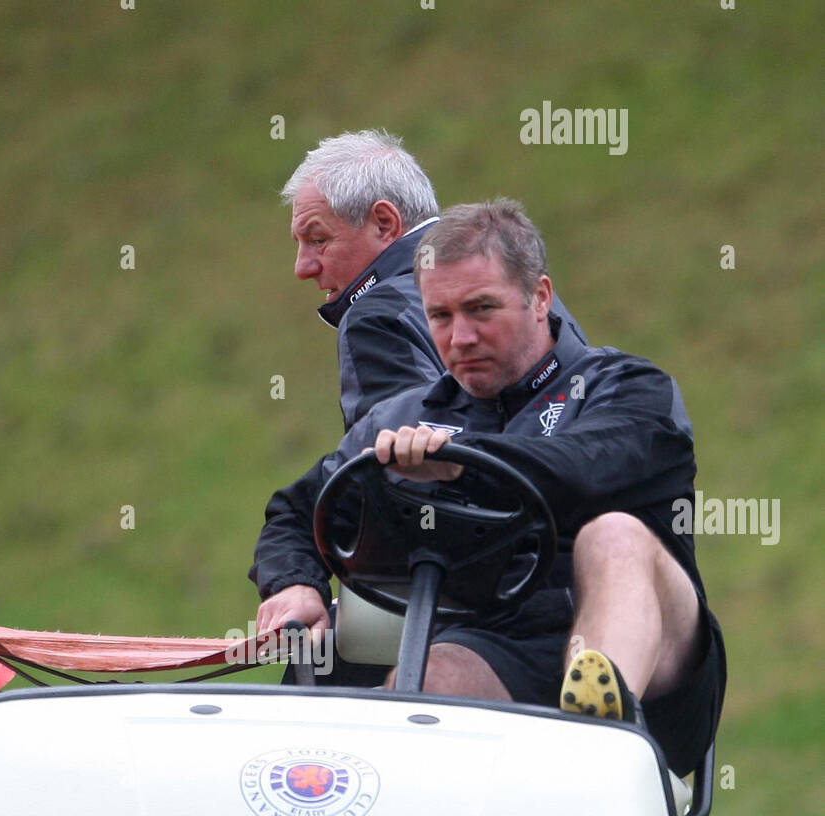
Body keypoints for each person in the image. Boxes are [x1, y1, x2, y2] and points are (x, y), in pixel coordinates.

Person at [250, 199, 724, 777]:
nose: (461, 337)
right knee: (421, 685)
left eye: (481, 309)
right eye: (441, 316)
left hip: (658, 670)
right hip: (501, 647)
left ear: (540, 297)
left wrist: (460, 463)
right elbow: (295, 511)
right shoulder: (405, 419)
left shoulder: (626, 387)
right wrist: (294, 583)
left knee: (616, 533)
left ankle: (598, 738)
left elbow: (585, 467)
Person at [283, 130, 587, 429]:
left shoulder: (374, 318)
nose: (302, 267)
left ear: (384, 223)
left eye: (319, 239)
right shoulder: (514, 277)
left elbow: (402, 468)